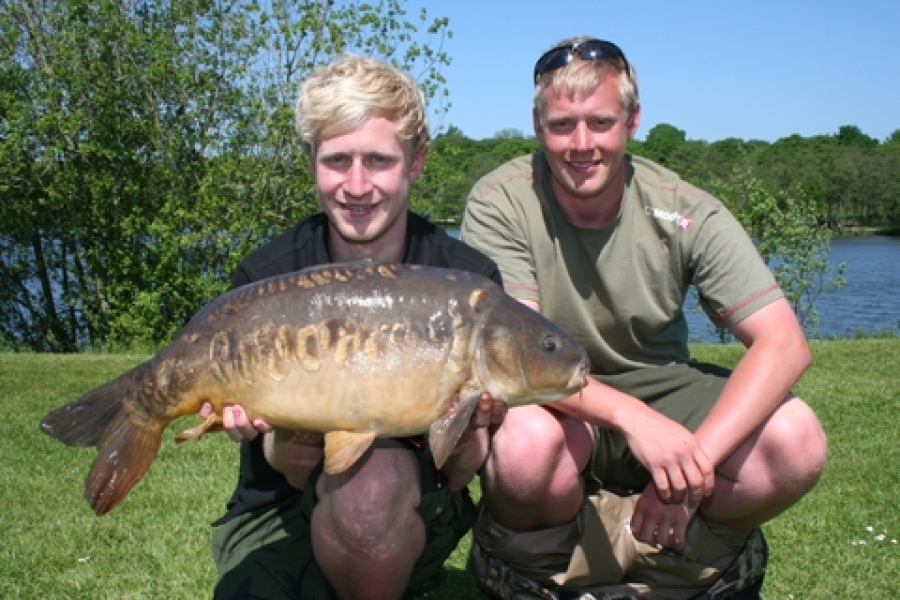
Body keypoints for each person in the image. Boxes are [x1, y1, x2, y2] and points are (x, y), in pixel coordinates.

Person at [460, 36, 828, 598]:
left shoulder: (685, 209)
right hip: (558, 398)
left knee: (797, 442)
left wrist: (689, 470)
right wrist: (634, 418)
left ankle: (677, 557)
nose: (581, 144)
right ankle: (552, 566)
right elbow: (515, 357)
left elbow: (783, 343)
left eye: (600, 123)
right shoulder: (501, 202)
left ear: (632, 122)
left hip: (665, 389)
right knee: (523, 447)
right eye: (562, 125)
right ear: (538, 128)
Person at [205, 53, 506, 600]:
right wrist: (253, 414)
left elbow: (461, 472)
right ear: (311, 162)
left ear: (416, 162)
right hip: (281, 510)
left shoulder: (468, 281)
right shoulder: (264, 278)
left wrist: (472, 419)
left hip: (413, 507)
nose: (358, 185)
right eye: (338, 160)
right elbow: (290, 468)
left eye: (379, 160)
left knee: (371, 488)